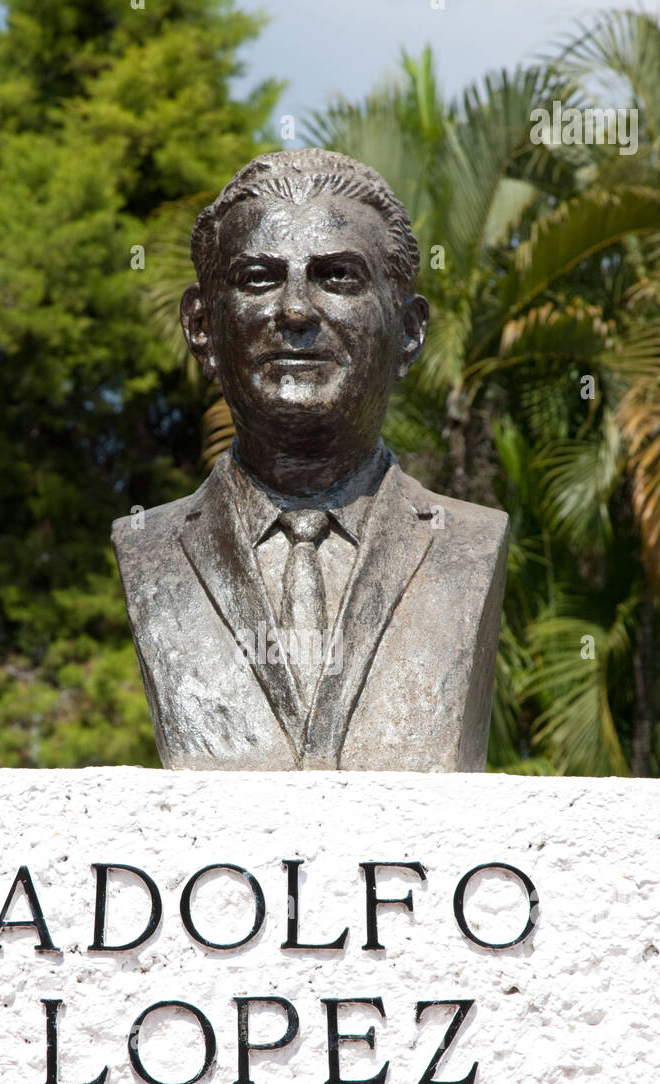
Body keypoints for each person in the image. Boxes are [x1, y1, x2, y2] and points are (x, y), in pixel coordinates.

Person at [113, 149, 508, 771]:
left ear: (408, 331)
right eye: (258, 279)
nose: (295, 310)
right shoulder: (148, 548)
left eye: (337, 277)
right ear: (201, 329)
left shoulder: (471, 545)